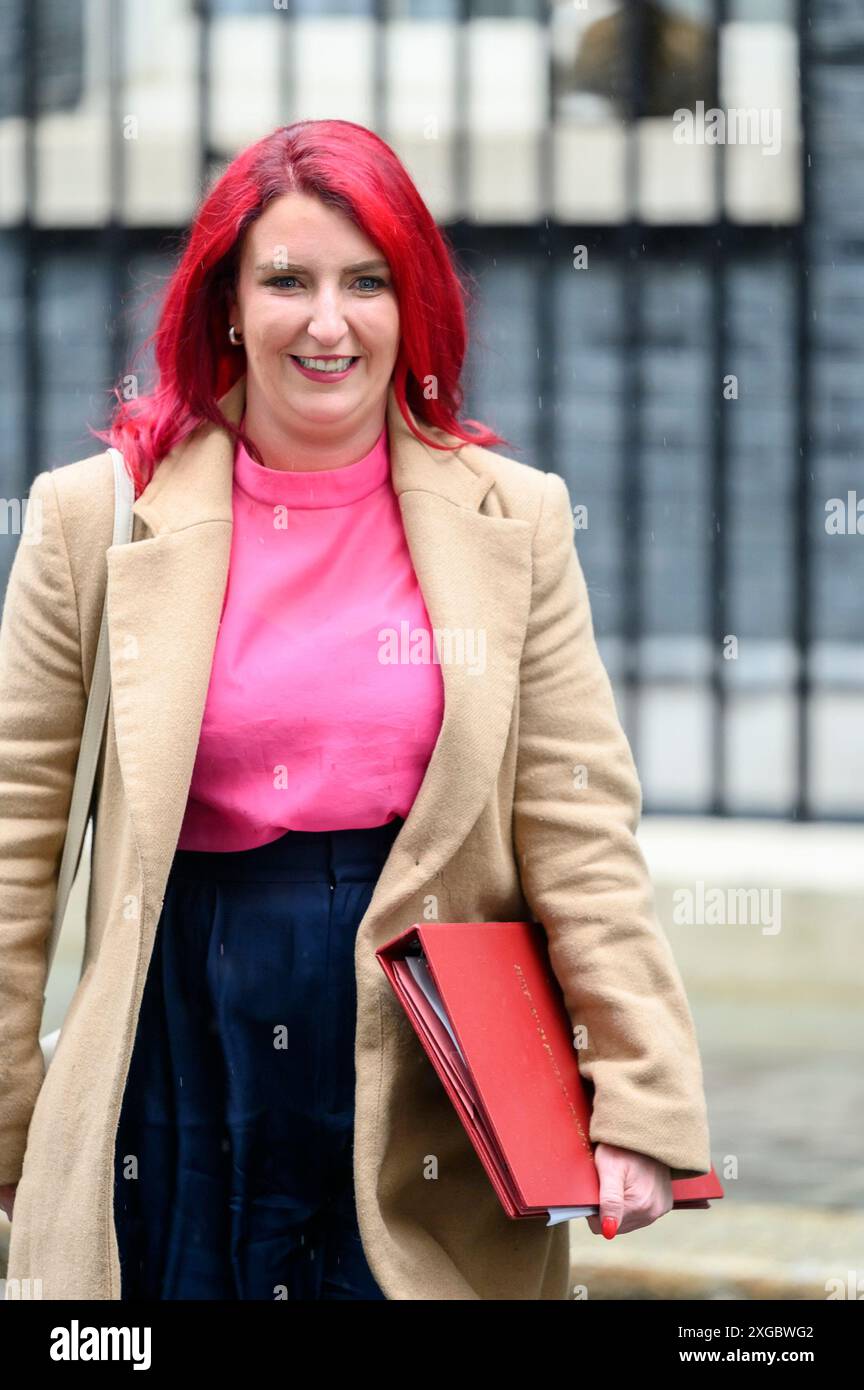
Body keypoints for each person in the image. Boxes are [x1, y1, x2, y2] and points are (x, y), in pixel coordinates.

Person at [0, 119, 711, 1301]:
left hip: (435, 1042)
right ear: (226, 301)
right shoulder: (95, 519)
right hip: (179, 1030)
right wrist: (14, 1117)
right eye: (287, 280)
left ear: (409, 304)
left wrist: (639, 1092)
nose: (328, 323)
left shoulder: (514, 519)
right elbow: (15, 840)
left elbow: (581, 831)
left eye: (365, 283)